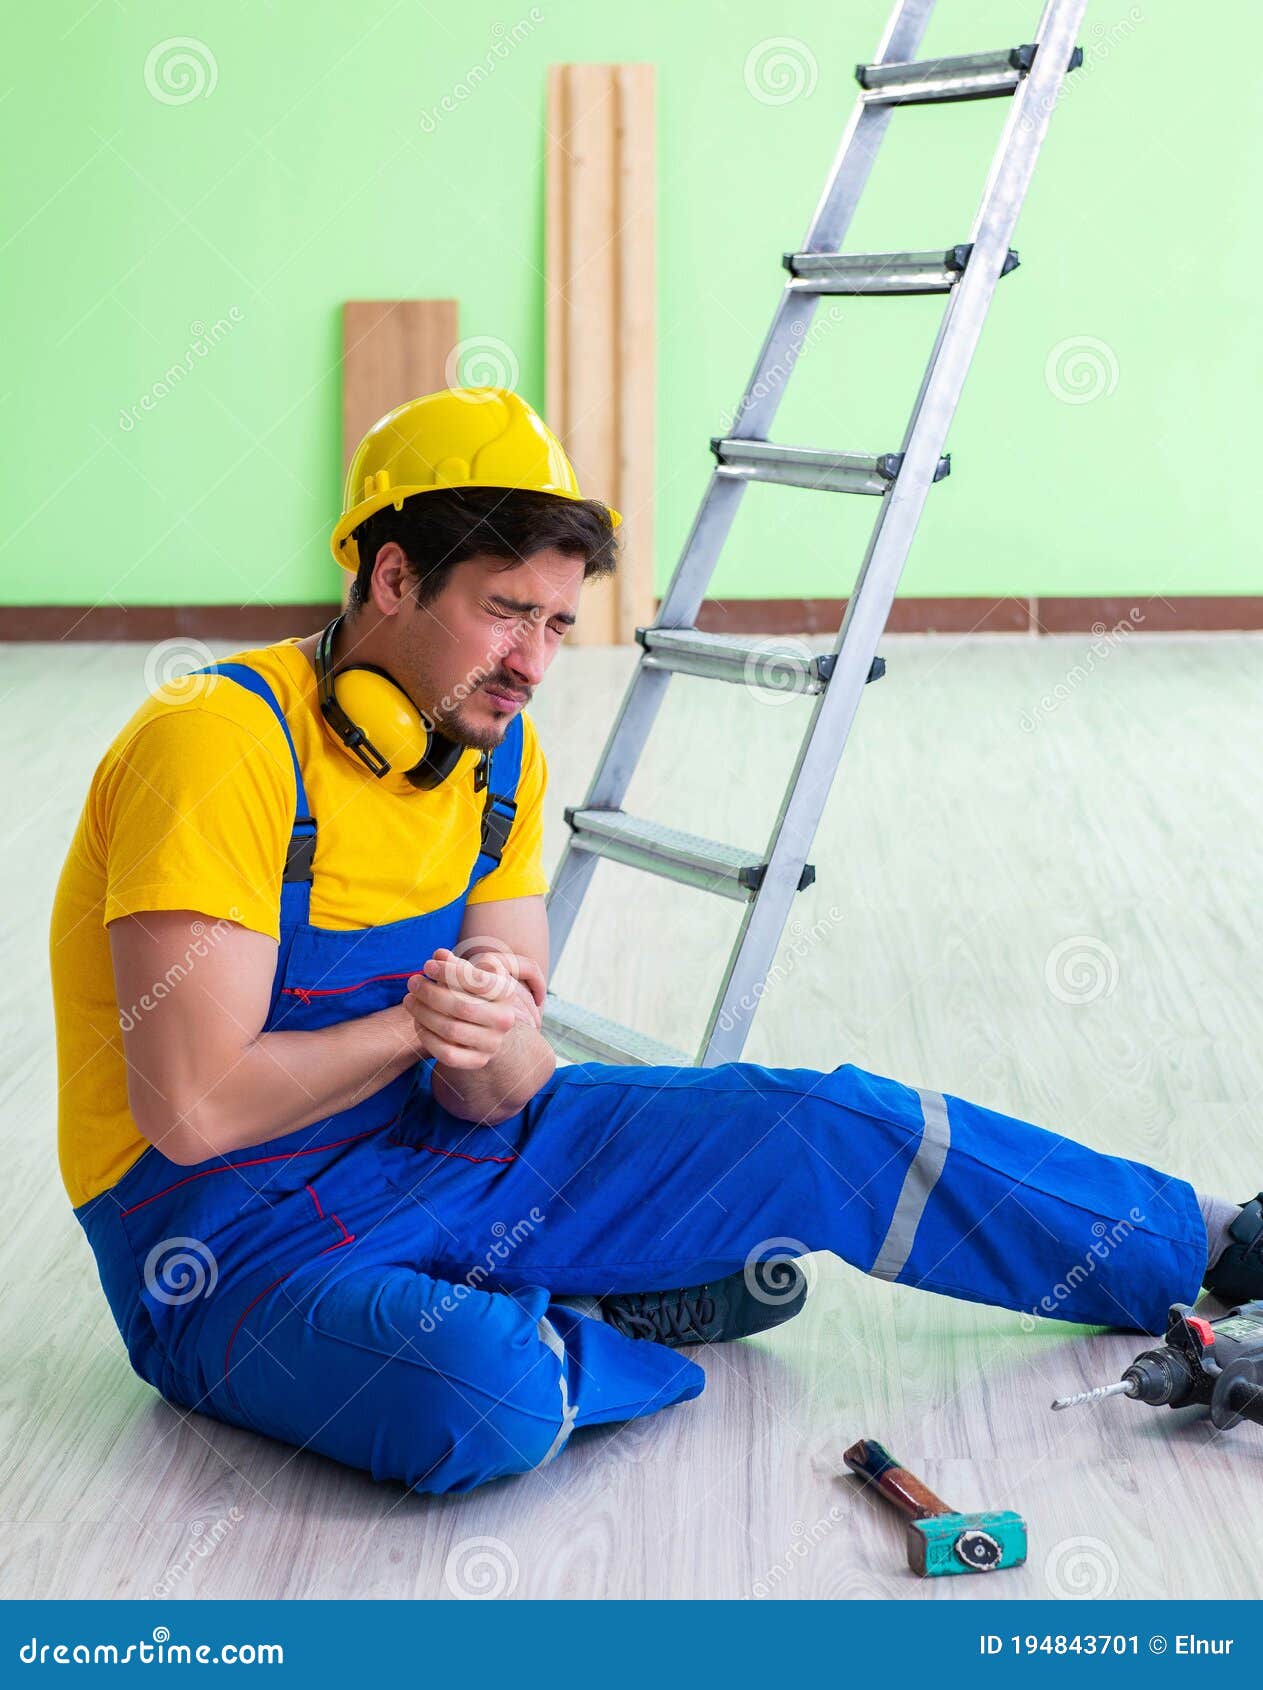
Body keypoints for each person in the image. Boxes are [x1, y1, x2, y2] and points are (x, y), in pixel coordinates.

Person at [51, 387, 1263, 1497]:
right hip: (220, 1239)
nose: (532, 662)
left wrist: (486, 1041)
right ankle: (589, 1308)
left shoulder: (497, 755)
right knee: (478, 1393)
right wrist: (412, 1026)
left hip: (446, 1153)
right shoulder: (218, 743)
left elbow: (506, 1094)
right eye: (505, 612)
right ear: (390, 576)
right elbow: (194, 1110)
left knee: (825, 1123)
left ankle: (1199, 1239)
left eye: (560, 623)